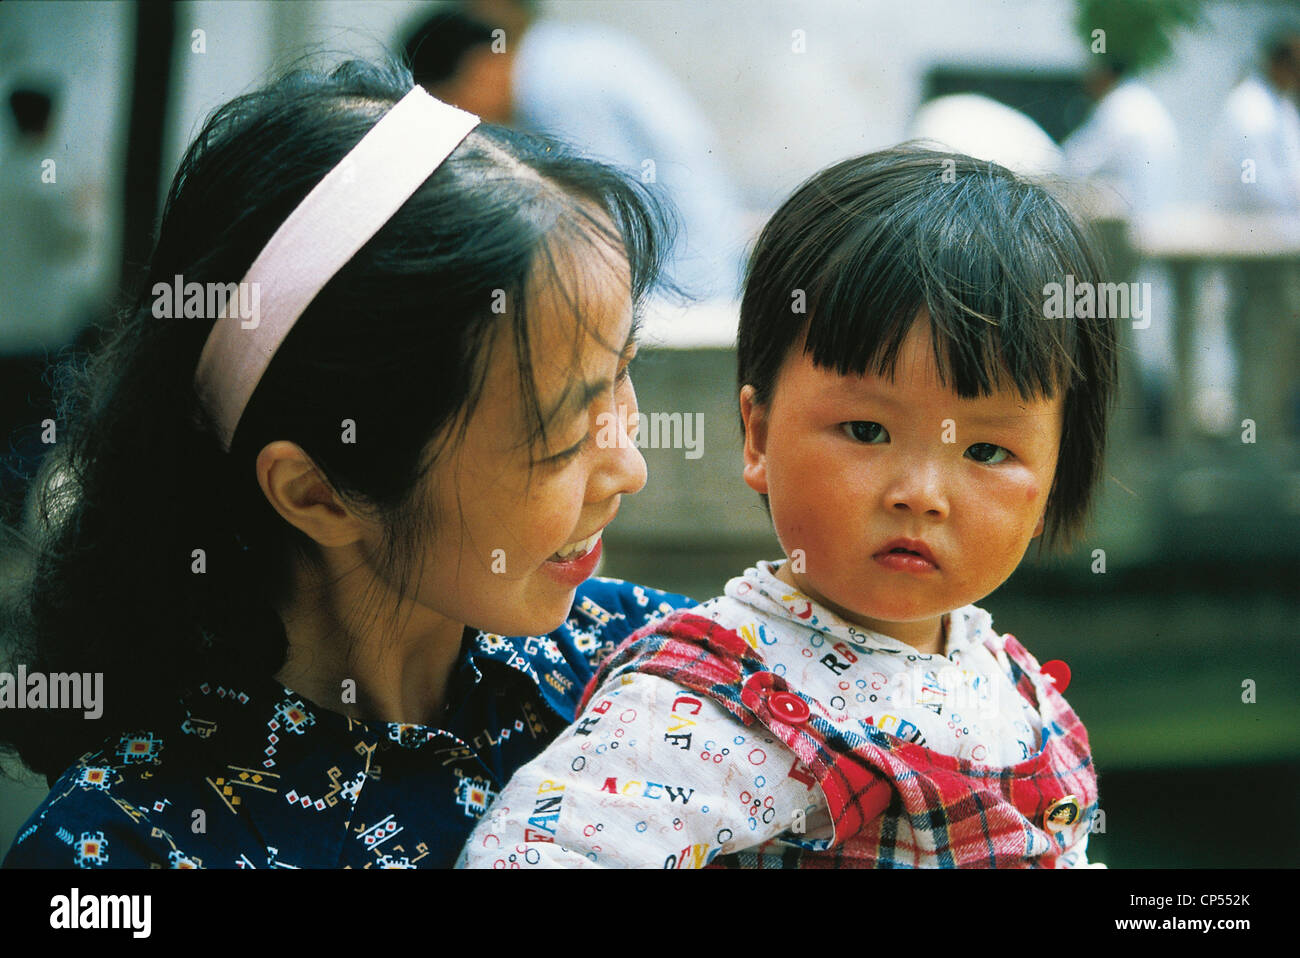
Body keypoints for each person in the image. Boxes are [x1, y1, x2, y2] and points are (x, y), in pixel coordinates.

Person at [0, 58, 695, 868]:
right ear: (318, 494)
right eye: (562, 436)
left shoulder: (652, 668)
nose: (630, 468)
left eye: (622, 376)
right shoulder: (126, 848)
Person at [458, 147, 1117, 868]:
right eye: (867, 431)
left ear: (1058, 472)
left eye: (987, 452)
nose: (921, 494)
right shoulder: (712, 701)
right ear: (759, 435)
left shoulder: (1022, 694)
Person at [402, 1, 749, 302]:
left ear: (475, 69)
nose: (467, 121)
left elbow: (606, 210)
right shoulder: (561, 58)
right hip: (691, 267)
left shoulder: (552, 87)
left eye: (449, 102)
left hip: (683, 284)